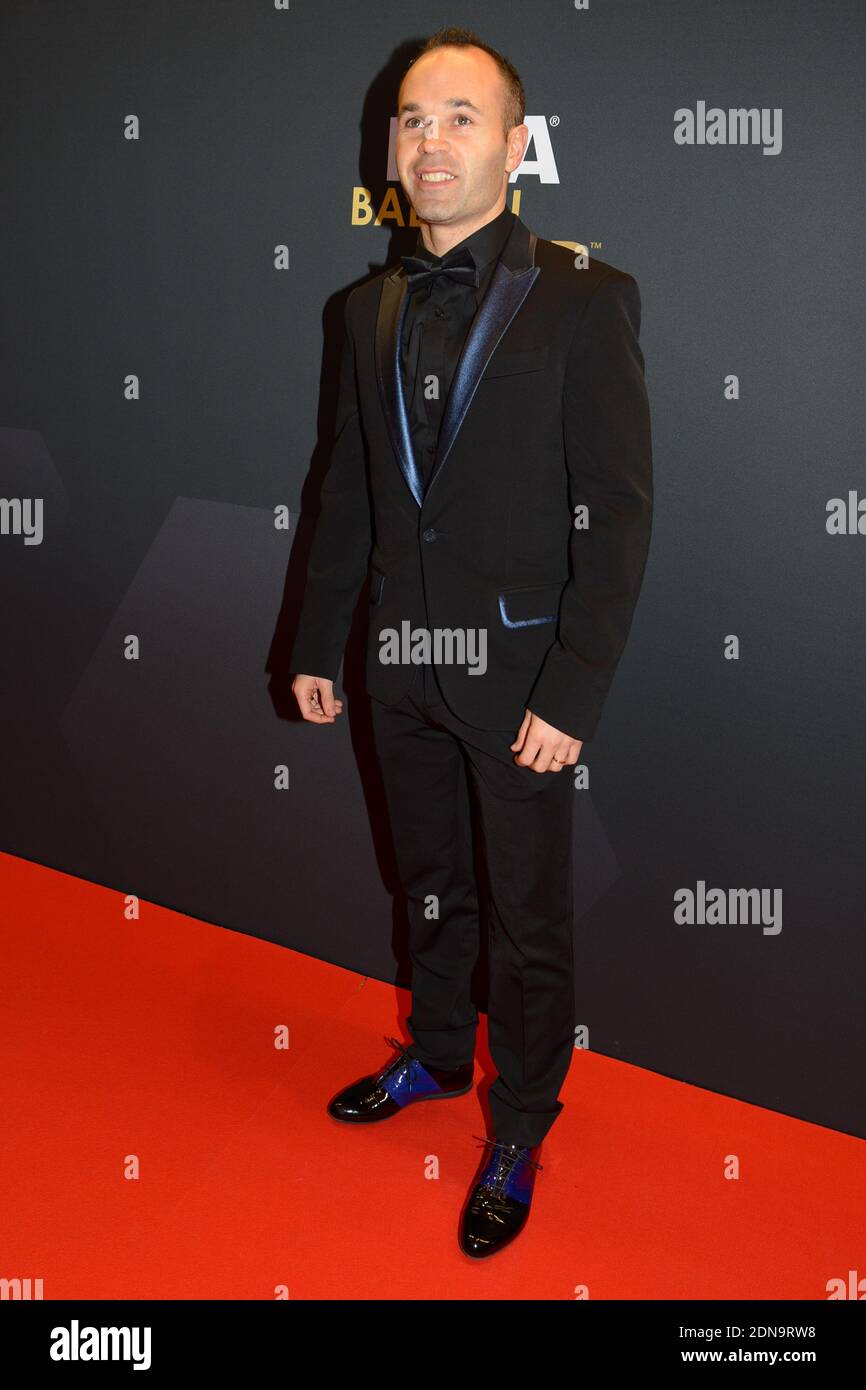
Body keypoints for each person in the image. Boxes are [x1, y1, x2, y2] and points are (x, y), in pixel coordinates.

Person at [290, 26, 653, 1259]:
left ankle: (521, 1123)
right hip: (396, 663)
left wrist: (574, 686)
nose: (427, 141)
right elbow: (344, 488)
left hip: (519, 681)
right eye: (408, 119)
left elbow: (617, 508)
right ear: (385, 146)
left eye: (456, 117)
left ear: (513, 143)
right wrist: (315, 642)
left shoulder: (586, 299)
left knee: (527, 916)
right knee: (426, 882)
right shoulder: (360, 309)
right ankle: (439, 1056)